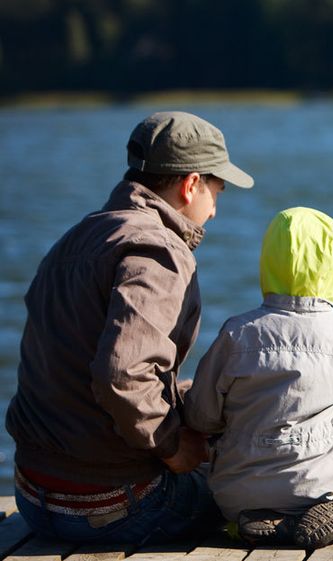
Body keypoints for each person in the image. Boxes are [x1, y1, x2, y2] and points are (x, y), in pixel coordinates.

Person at [5, 111, 255, 544]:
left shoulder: (77, 237)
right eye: (217, 191)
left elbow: (80, 370)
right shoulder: (159, 251)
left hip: (34, 498)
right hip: (114, 508)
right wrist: (172, 448)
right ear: (191, 184)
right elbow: (122, 375)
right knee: (256, 489)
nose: (214, 209)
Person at [183, 207, 333, 548]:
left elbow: (202, 417)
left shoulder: (237, 333)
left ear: (268, 262)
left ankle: (269, 522)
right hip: (317, 488)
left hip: (236, 494)